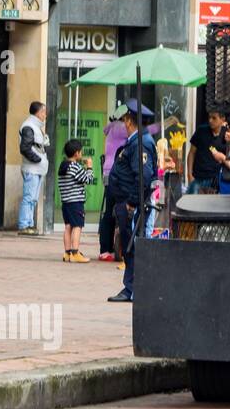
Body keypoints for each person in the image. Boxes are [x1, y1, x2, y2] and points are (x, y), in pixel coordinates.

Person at [106, 103, 157, 303]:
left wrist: (133, 203)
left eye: (125, 119)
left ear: (129, 121)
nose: (124, 123)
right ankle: (130, 287)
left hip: (131, 205)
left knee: (133, 248)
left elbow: (143, 176)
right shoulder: (136, 141)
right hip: (125, 202)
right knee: (129, 248)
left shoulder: (141, 143)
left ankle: (133, 288)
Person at [97, 105, 129, 261]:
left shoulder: (112, 127)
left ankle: (106, 249)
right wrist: (167, 122)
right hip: (115, 174)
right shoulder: (120, 127)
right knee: (113, 211)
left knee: (110, 210)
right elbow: (145, 132)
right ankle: (107, 249)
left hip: (109, 172)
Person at [57, 139, 94, 263]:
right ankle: (75, 252)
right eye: (81, 151)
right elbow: (88, 179)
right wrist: (89, 167)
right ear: (76, 153)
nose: (82, 153)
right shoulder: (75, 167)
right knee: (77, 226)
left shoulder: (63, 166)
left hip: (66, 203)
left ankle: (67, 253)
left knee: (68, 227)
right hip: (76, 202)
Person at [17, 100, 50, 235]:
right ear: (38, 112)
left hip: (37, 168)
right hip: (32, 167)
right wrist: (38, 159)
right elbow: (25, 147)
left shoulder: (34, 126)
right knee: (29, 197)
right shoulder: (29, 126)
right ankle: (24, 224)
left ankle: (29, 224)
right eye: (44, 112)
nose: (45, 115)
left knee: (33, 198)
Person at [186, 110, 230, 195]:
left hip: (215, 180)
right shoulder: (201, 131)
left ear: (222, 119)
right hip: (198, 178)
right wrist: (189, 175)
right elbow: (192, 152)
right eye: (209, 117)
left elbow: (229, 159)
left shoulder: (226, 134)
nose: (210, 120)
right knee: (192, 205)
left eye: (214, 118)